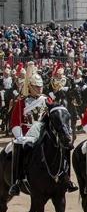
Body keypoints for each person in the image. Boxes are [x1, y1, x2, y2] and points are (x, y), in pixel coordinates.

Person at [6, 62, 51, 196]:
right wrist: (20, 137)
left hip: (44, 133)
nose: (40, 89)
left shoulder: (46, 100)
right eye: (37, 87)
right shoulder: (21, 102)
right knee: (18, 149)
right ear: (30, 87)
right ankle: (16, 181)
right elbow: (14, 123)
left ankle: (63, 177)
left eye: (41, 86)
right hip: (27, 134)